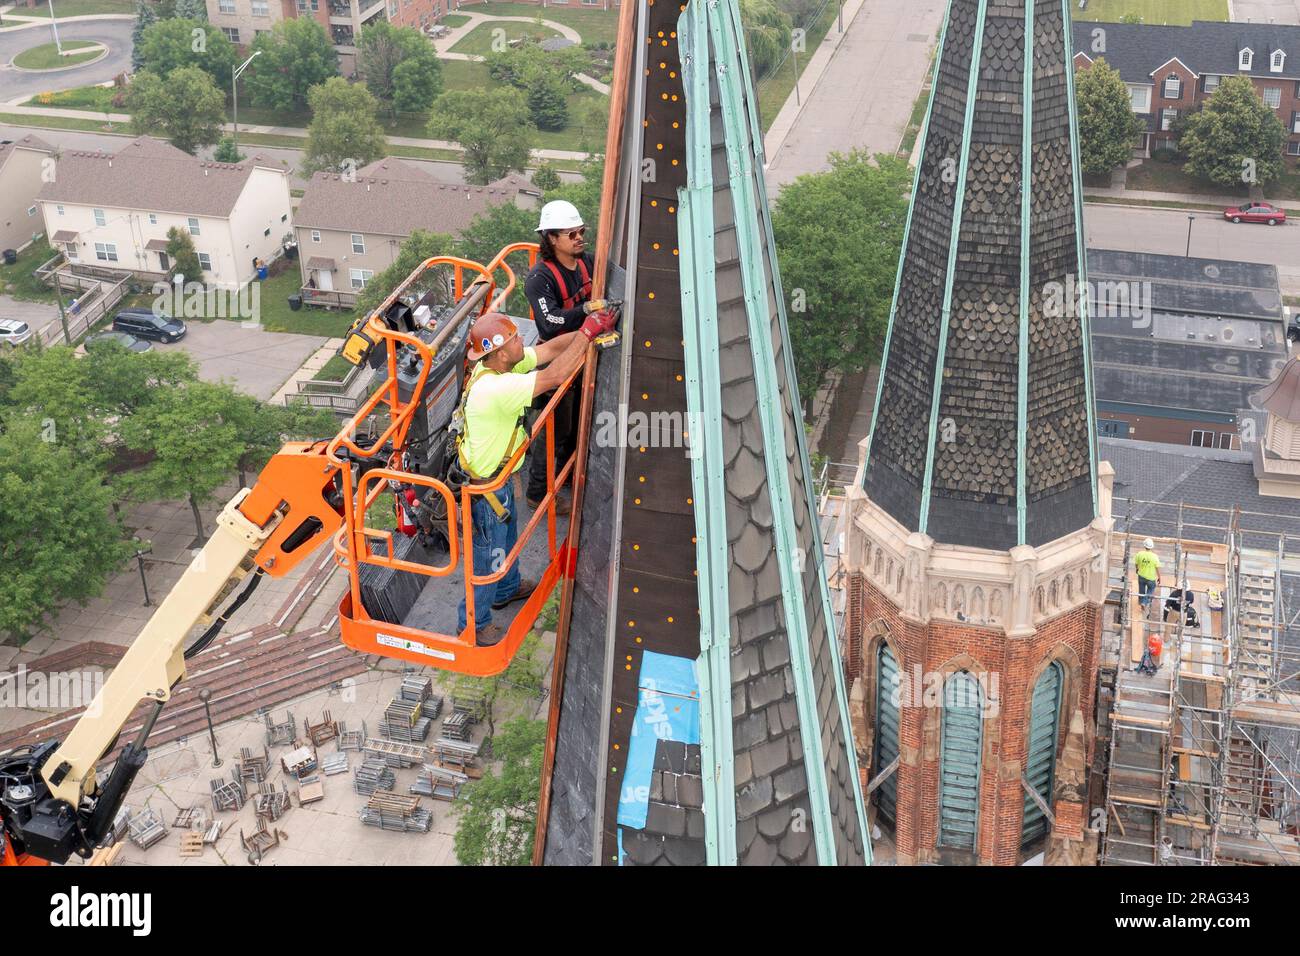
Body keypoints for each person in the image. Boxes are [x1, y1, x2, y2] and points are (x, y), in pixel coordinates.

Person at [455, 307, 618, 645]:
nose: (521, 342)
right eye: (514, 339)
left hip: (497, 483)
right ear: (501, 353)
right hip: (486, 493)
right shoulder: (498, 389)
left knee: (507, 541)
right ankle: (473, 624)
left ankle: (507, 588)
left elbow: (549, 351)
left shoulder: (496, 367)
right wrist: (588, 334)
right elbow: (555, 374)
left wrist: (588, 331)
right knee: (487, 559)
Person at [522, 200, 609, 514]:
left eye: (580, 231)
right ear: (551, 239)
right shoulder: (540, 279)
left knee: (576, 421)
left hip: (582, 348)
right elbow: (550, 321)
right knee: (554, 429)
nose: (578, 238)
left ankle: (568, 474)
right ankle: (536, 493)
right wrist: (585, 311)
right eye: (570, 234)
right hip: (556, 356)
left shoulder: (586, 263)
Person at [1134, 537, 1162, 618]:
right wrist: (1159, 577)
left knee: (1141, 590)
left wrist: (1137, 569)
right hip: (1151, 578)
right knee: (1151, 590)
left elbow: (1136, 563)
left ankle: (1140, 601)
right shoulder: (1154, 556)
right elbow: (1157, 568)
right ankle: (1144, 602)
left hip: (1141, 575)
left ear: (1144, 546)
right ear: (1152, 547)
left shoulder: (1139, 554)